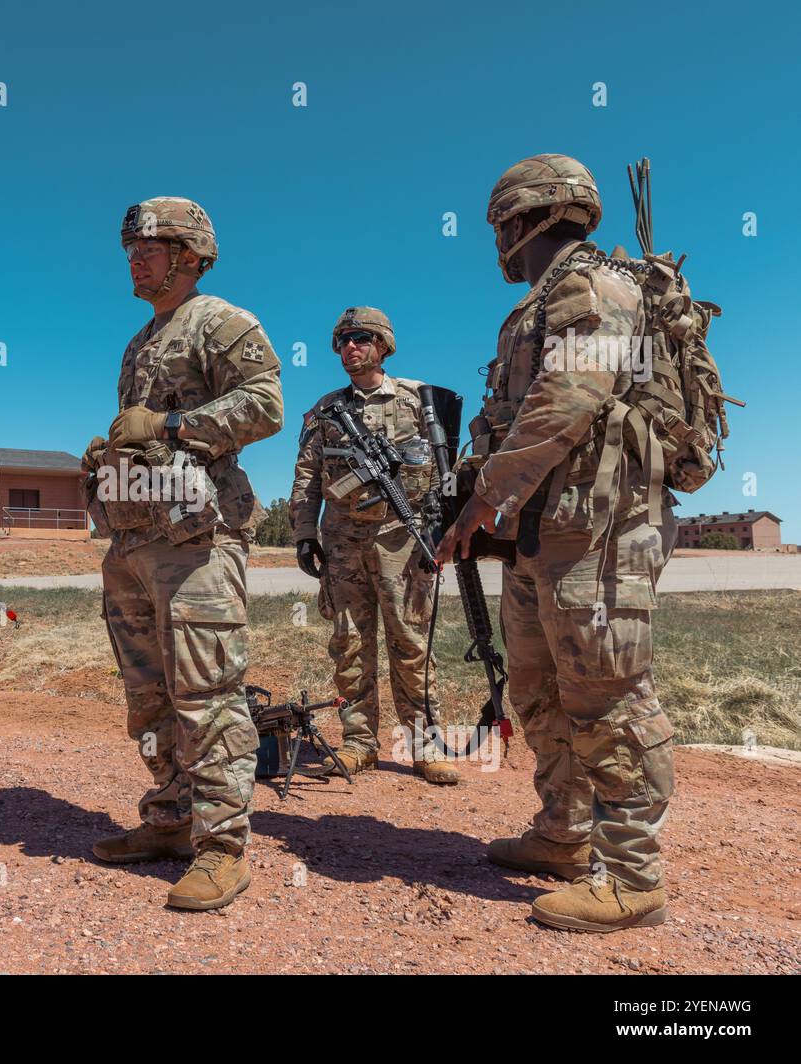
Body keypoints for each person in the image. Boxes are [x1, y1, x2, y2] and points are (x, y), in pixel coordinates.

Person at [436, 154, 678, 932]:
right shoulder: (538, 303)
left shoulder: (595, 286)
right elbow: (517, 416)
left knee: (607, 701)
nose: (498, 242)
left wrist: (481, 501)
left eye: (501, 227)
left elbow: (566, 401)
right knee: (537, 693)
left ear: (529, 218)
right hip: (542, 537)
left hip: (599, 538)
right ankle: (565, 835)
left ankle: (634, 879)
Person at [87, 197, 283, 911]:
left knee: (207, 690)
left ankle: (222, 845)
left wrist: (168, 423)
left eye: (151, 246)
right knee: (150, 695)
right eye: (131, 247)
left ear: (191, 253)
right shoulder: (140, 341)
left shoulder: (221, 321)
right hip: (135, 538)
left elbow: (266, 405)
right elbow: (143, 435)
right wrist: (113, 449)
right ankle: (170, 821)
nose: (135, 258)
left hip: (197, 541)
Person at [289, 307, 457, 784]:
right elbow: (306, 477)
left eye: (360, 338)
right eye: (342, 340)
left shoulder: (417, 401)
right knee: (349, 642)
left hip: (402, 541)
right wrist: (304, 533)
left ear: (383, 344)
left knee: (411, 642)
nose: (350, 347)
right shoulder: (324, 410)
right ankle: (358, 742)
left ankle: (425, 745)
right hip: (342, 544)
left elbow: (448, 471)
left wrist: (439, 529)